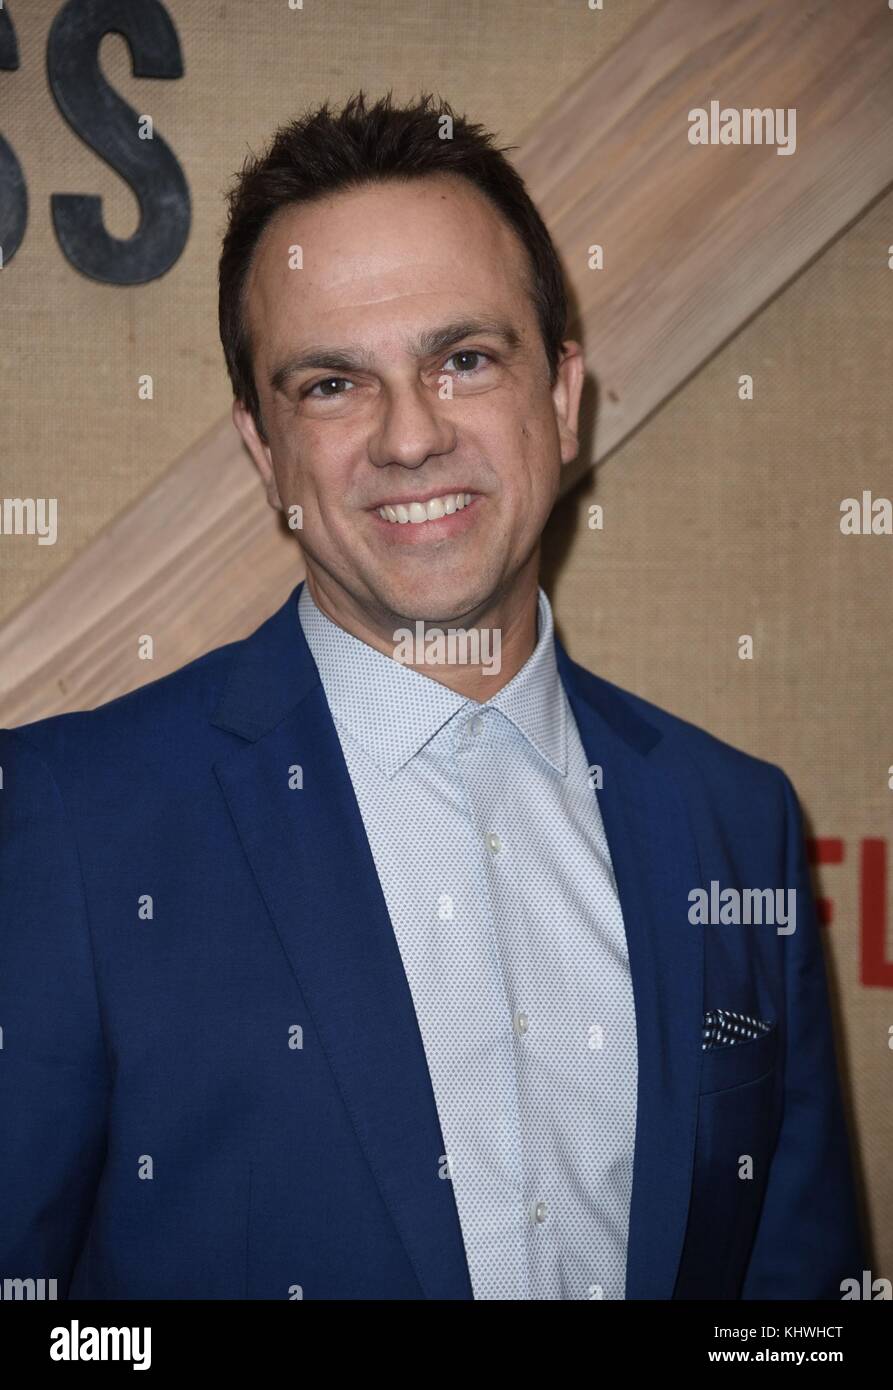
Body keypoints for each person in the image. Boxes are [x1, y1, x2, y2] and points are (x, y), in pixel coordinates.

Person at [0, 91, 864, 1300]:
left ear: (561, 400)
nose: (409, 438)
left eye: (462, 360)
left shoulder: (733, 818)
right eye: (331, 385)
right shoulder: (68, 820)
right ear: (263, 447)